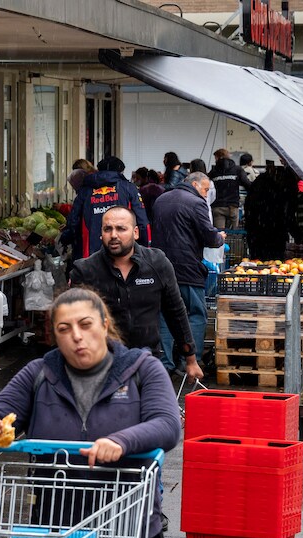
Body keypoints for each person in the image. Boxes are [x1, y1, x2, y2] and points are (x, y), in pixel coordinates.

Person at [0, 288, 181, 538]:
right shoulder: (40, 373)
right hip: (57, 527)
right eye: (64, 329)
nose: (76, 336)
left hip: (128, 526)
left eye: (85, 324)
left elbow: (168, 425)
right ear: (54, 335)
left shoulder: (143, 369)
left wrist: (121, 441)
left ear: (104, 324)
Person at [70, 206, 203, 382]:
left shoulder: (157, 263)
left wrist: (191, 359)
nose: (114, 235)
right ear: (101, 233)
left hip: (146, 363)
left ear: (135, 233)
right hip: (101, 366)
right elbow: (74, 322)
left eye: (121, 229)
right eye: (107, 229)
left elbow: (175, 311)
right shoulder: (85, 270)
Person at [149, 172, 225, 372]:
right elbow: (209, 236)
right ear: (194, 184)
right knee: (195, 314)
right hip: (187, 269)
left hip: (161, 267)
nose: (206, 194)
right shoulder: (195, 203)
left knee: (164, 316)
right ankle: (191, 362)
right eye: (206, 189)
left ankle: (164, 363)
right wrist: (220, 237)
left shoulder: (161, 200)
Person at [62, 155, 149, 260]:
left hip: (91, 257)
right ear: (119, 171)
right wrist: (145, 250)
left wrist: (65, 240)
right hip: (123, 254)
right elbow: (143, 224)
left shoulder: (85, 191)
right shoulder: (129, 188)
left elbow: (73, 223)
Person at [209, 148, 253, 230]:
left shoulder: (214, 171)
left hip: (218, 206)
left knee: (219, 234)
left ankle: (222, 242)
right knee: (234, 235)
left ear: (219, 157)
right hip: (233, 205)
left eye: (215, 158)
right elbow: (247, 184)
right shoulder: (237, 169)